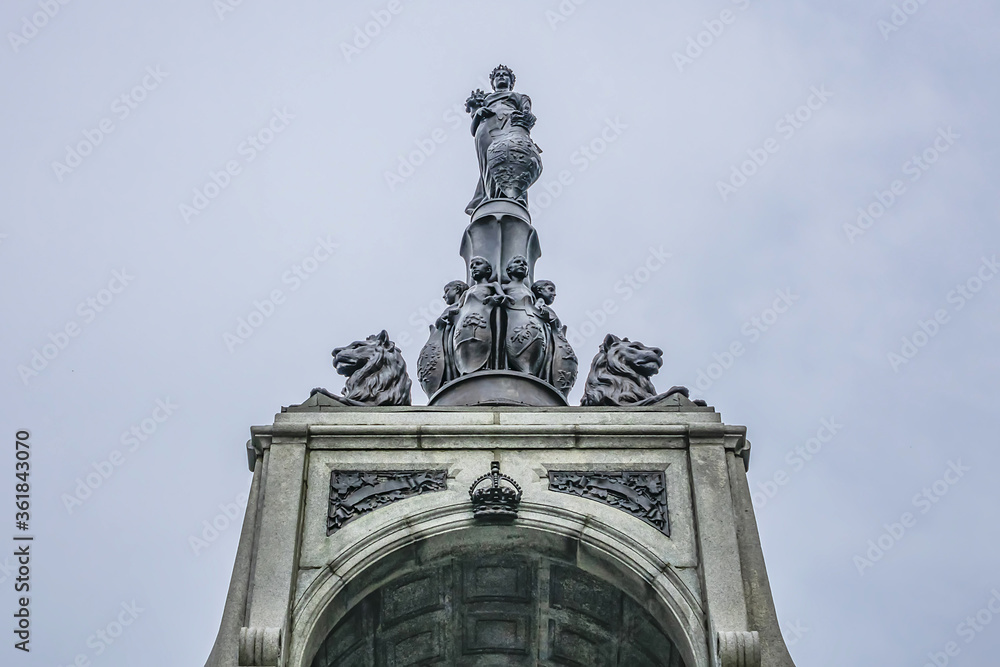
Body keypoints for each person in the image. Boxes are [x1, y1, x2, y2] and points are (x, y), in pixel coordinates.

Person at [464, 65, 543, 215]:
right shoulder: (486, 99)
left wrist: (525, 118)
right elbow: (473, 130)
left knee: (513, 158)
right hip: (486, 128)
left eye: (505, 75)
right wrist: (478, 112)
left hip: (510, 125)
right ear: (493, 82)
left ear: (511, 81)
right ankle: (489, 197)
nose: (501, 76)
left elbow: (528, 115)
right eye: (498, 75)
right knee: (490, 164)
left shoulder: (520, 97)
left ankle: (515, 197)